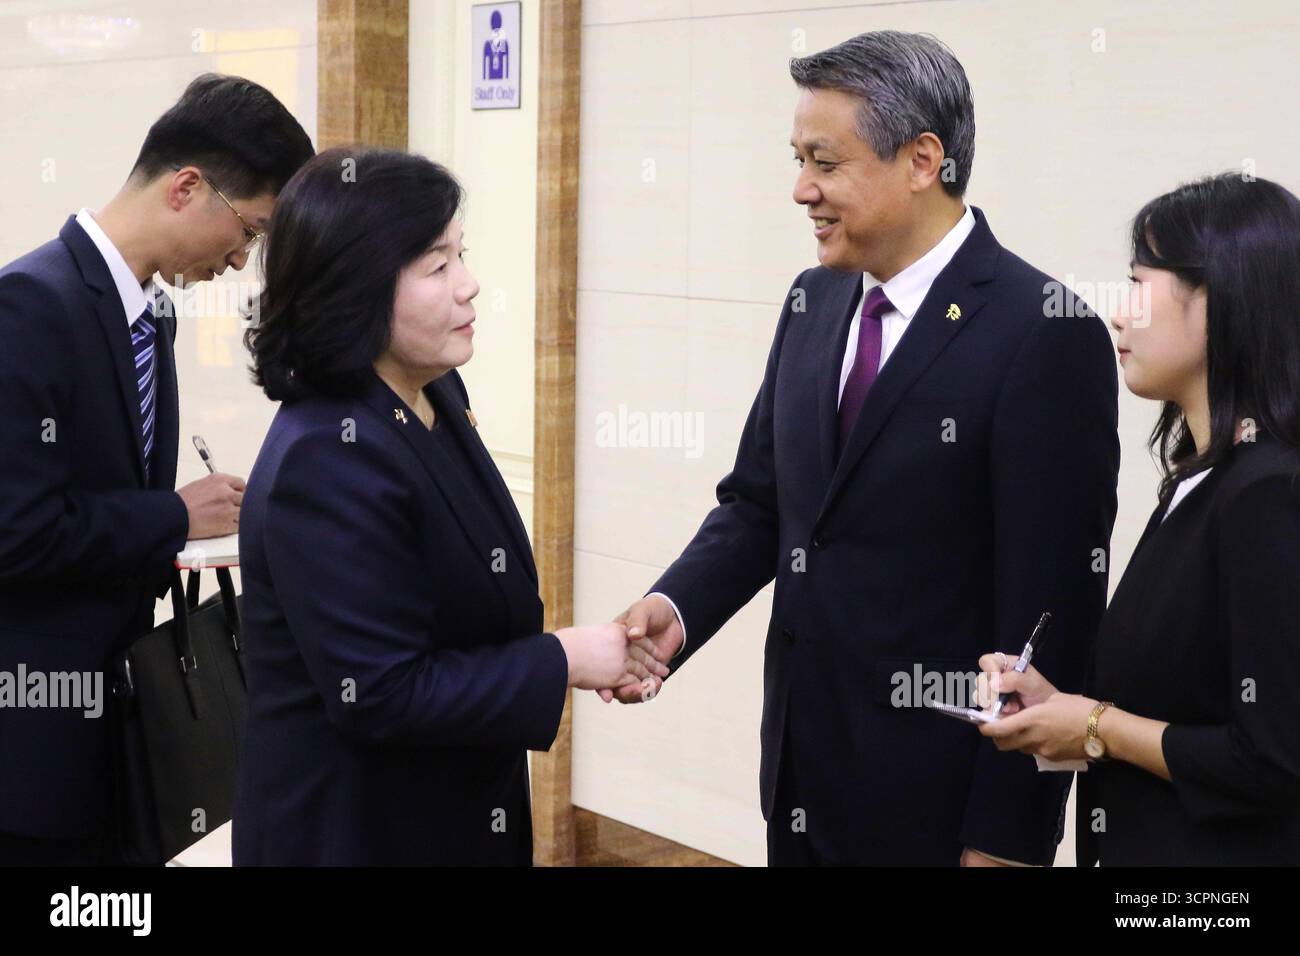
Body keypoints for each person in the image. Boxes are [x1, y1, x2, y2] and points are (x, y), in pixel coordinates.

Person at [608, 30, 1121, 866]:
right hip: (803, 780)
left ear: (923, 160)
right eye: (797, 159)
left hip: (939, 808)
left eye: (825, 161)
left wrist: (1007, 840)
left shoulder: (1042, 332)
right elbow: (762, 504)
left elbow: (1049, 614)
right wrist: (675, 611)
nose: (801, 189)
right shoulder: (814, 301)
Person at [232, 148, 662, 866]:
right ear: (355, 289)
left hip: (450, 815)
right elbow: (379, 692)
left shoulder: (433, 395)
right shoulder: (326, 456)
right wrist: (564, 659)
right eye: (437, 267)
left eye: (461, 255)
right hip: (356, 833)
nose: (470, 286)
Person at [0, 73, 313, 866]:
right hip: (33, 736)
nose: (242, 260)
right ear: (186, 188)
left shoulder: (154, 311)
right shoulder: (30, 307)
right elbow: (15, 531)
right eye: (250, 231)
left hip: (122, 713)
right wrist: (175, 516)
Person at [978, 173, 1300, 865]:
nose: (1118, 315)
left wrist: (1096, 725)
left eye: (1138, 283)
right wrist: (1056, 708)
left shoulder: (1268, 491)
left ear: (1222, 299)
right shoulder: (1197, 480)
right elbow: (1183, 705)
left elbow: (1274, 758)